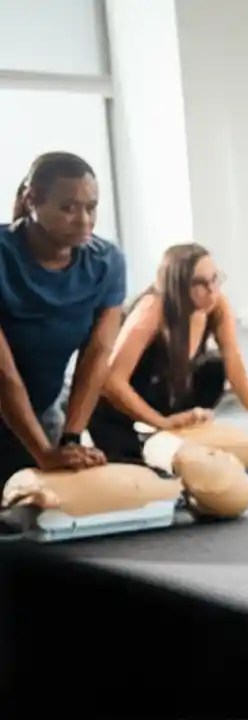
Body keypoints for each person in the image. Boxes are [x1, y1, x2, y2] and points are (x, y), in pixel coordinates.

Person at [0, 152, 124, 487]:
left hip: (40, 409)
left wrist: (70, 438)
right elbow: (4, 373)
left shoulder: (106, 262)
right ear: (32, 201)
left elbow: (97, 353)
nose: (84, 220)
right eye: (68, 208)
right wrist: (42, 450)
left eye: (91, 207)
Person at [87, 243, 248, 463]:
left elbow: (233, 361)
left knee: (214, 368)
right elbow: (111, 383)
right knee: (143, 473)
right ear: (178, 286)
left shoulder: (216, 305)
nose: (212, 290)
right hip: (115, 407)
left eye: (215, 279)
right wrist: (161, 423)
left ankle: (166, 430)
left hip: (162, 392)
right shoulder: (151, 311)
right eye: (200, 283)